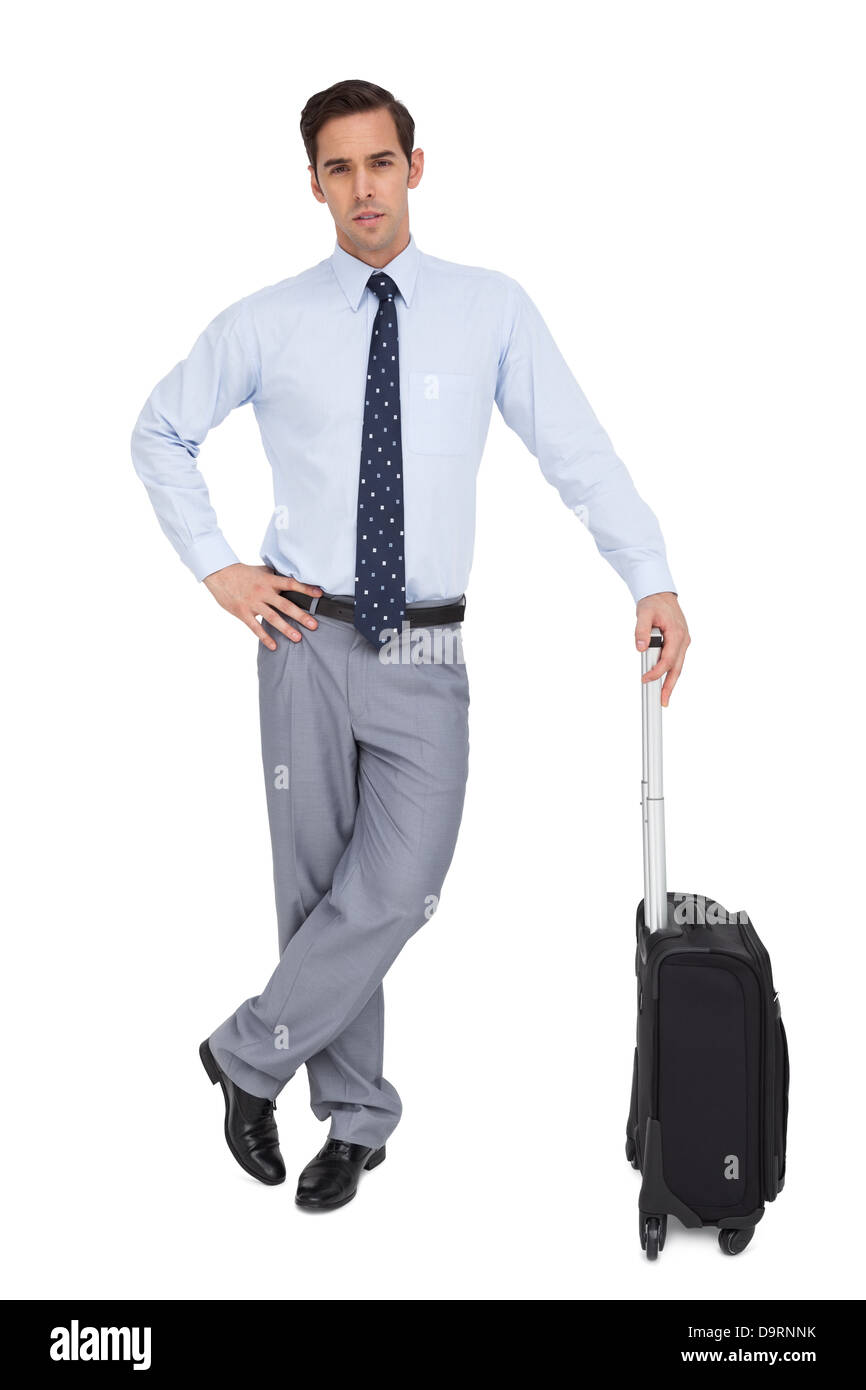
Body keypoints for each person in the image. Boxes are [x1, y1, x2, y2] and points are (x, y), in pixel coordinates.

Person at [130, 77, 691, 1212]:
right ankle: (358, 1120)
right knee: (317, 888)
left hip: (426, 647)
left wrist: (650, 575)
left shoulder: (488, 309)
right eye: (337, 169)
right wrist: (221, 570)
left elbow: (576, 451)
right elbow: (160, 429)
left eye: (378, 162)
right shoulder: (268, 319)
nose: (361, 187)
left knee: (397, 888)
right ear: (313, 186)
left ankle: (246, 1055)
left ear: (414, 168)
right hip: (302, 634)